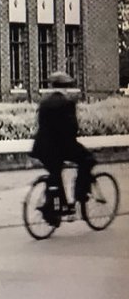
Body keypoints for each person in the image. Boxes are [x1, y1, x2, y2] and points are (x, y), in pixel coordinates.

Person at [30, 71, 96, 219]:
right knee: (88, 159)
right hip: (62, 147)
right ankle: (80, 194)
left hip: (42, 148)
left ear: (53, 86)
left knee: (55, 174)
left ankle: (57, 207)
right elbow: (72, 128)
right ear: (66, 87)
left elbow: (40, 125)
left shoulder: (44, 103)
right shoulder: (67, 103)